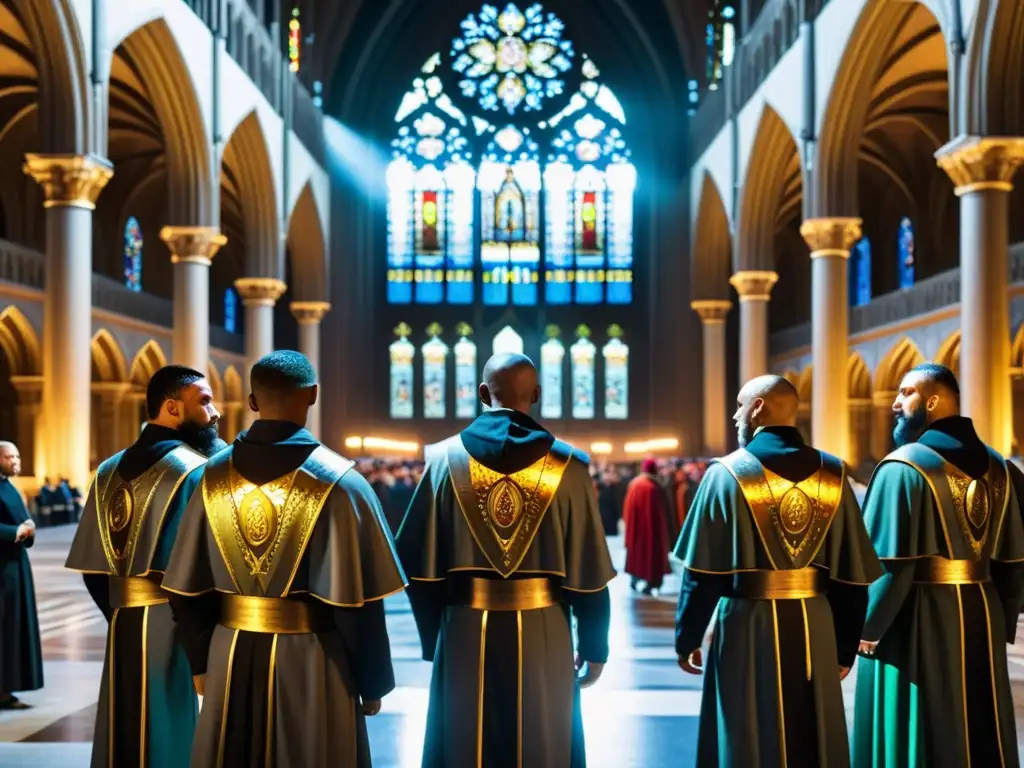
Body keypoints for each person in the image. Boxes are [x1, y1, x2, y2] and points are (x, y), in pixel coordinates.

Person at [163, 350, 406, 768]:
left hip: (230, 652)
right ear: (312, 395)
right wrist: (373, 681)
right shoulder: (343, 483)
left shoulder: (209, 477)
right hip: (315, 659)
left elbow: (187, 586)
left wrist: (201, 660)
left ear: (253, 402)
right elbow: (359, 605)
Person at [397, 353, 615, 768]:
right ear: (536, 394)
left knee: (463, 742)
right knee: (543, 740)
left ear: (482, 394)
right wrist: (594, 646)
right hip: (544, 631)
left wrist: (435, 640)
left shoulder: (444, 459)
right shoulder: (569, 465)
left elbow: (416, 568)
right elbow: (589, 574)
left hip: (463, 629)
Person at [674, 375, 883, 767]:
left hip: (746, 622)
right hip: (815, 624)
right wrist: (843, 648)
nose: (736, 415)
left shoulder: (725, 474)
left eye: (740, 405)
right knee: (810, 729)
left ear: (757, 409)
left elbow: (701, 573)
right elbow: (851, 579)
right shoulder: (834, 475)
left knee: (746, 727)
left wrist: (687, 637)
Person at [852, 364, 1024, 767]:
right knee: (977, 720)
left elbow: (889, 566)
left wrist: (865, 628)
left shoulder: (903, 466)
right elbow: (1014, 560)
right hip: (981, 610)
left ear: (932, 401)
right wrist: (1002, 617)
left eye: (905, 393)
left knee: (922, 723)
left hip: (917, 618)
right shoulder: (1001, 467)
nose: (895, 403)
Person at [65, 365, 222, 767]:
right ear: (172, 407)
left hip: (124, 622)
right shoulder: (194, 470)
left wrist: (122, 614)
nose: (215, 411)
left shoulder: (106, 471)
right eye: (204, 401)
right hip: (178, 626)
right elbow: (204, 571)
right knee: (173, 734)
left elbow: (92, 570)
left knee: (127, 732)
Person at [0, 441, 43, 709]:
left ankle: (7, 687)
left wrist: (27, 529)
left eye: (17, 456)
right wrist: (16, 532)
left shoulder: (9, 487)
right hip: (3, 570)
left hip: (16, 566)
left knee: (13, 627)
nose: (16, 461)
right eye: (9, 456)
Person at [623, 458, 671, 594]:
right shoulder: (654, 487)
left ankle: (635, 578)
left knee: (636, 554)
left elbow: (627, 510)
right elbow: (661, 513)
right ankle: (652, 583)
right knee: (651, 556)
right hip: (652, 532)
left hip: (635, 530)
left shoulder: (634, 484)